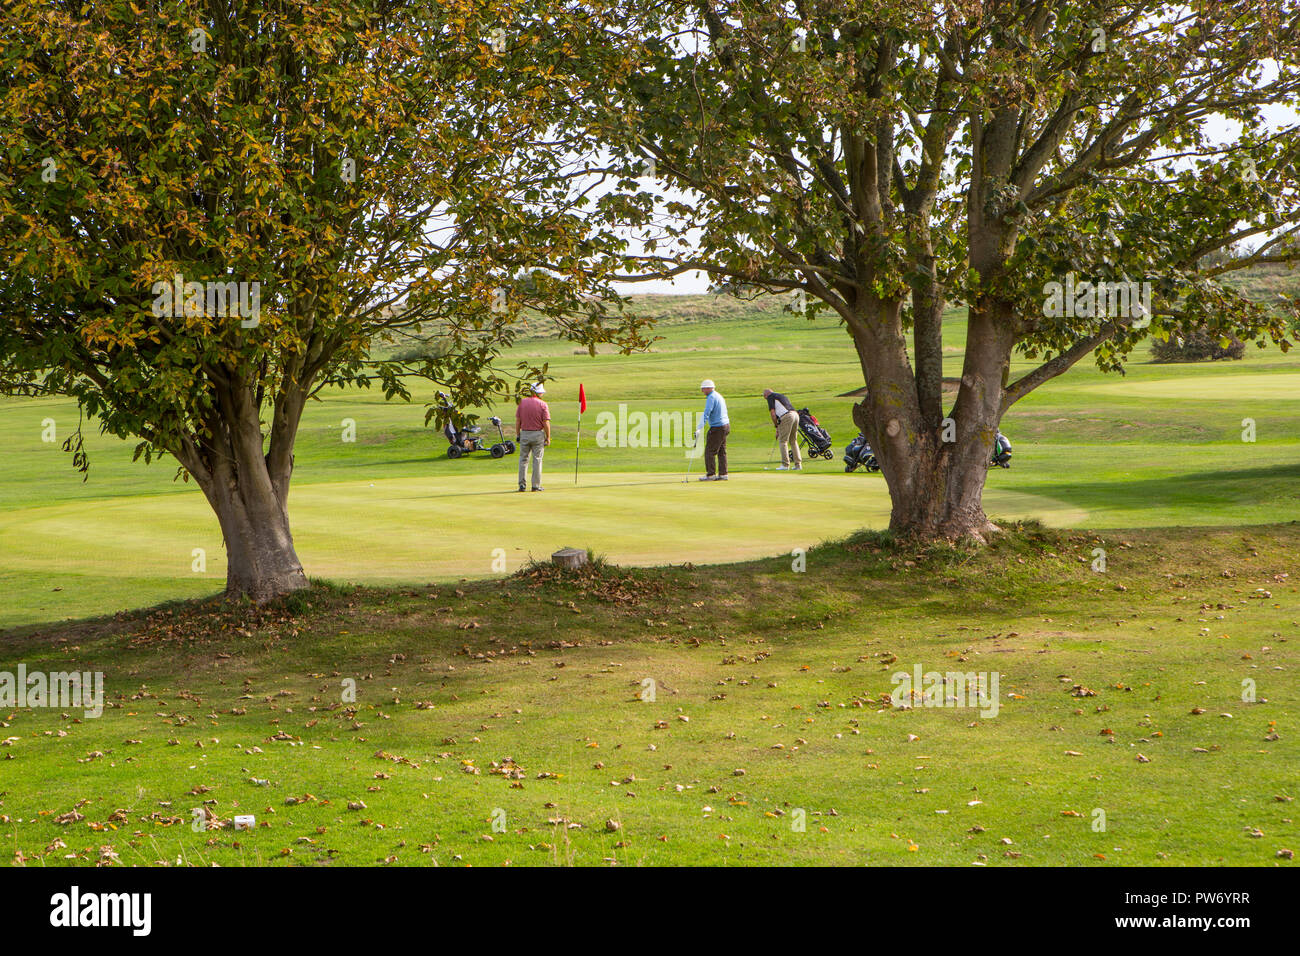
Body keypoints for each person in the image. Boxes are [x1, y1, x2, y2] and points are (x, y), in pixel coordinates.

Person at [515, 383, 550, 491]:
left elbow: (518, 421)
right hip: (537, 435)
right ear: (538, 392)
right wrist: (548, 437)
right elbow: (546, 423)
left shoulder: (522, 402)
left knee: (523, 460)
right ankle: (535, 485)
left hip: (524, 433)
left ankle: (522, 484)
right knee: (537, 460)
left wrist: (518, 434)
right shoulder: (543, 404)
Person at [763, 387, 802, 471]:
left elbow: (773, 414)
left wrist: (776, 426)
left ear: (766, 395)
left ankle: (785, 465)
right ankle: (798, 465)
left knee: (783, 441)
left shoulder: (770, 397)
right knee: (793, 441)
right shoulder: (781, 396)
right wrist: (778, 429)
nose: (765, 399)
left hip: (787, 416)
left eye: (764, 397)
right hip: (795, 415)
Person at [698, 379, 729, 481]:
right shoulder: (718, 395)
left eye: (703, 389)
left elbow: (706, 413)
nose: (702, 391)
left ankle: (711, 474)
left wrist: (699, 428)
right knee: (721, 451)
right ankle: (723, 474)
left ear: (708, 388)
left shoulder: (711, 397)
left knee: (709, 451)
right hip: (725, 426)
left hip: (717, 427)